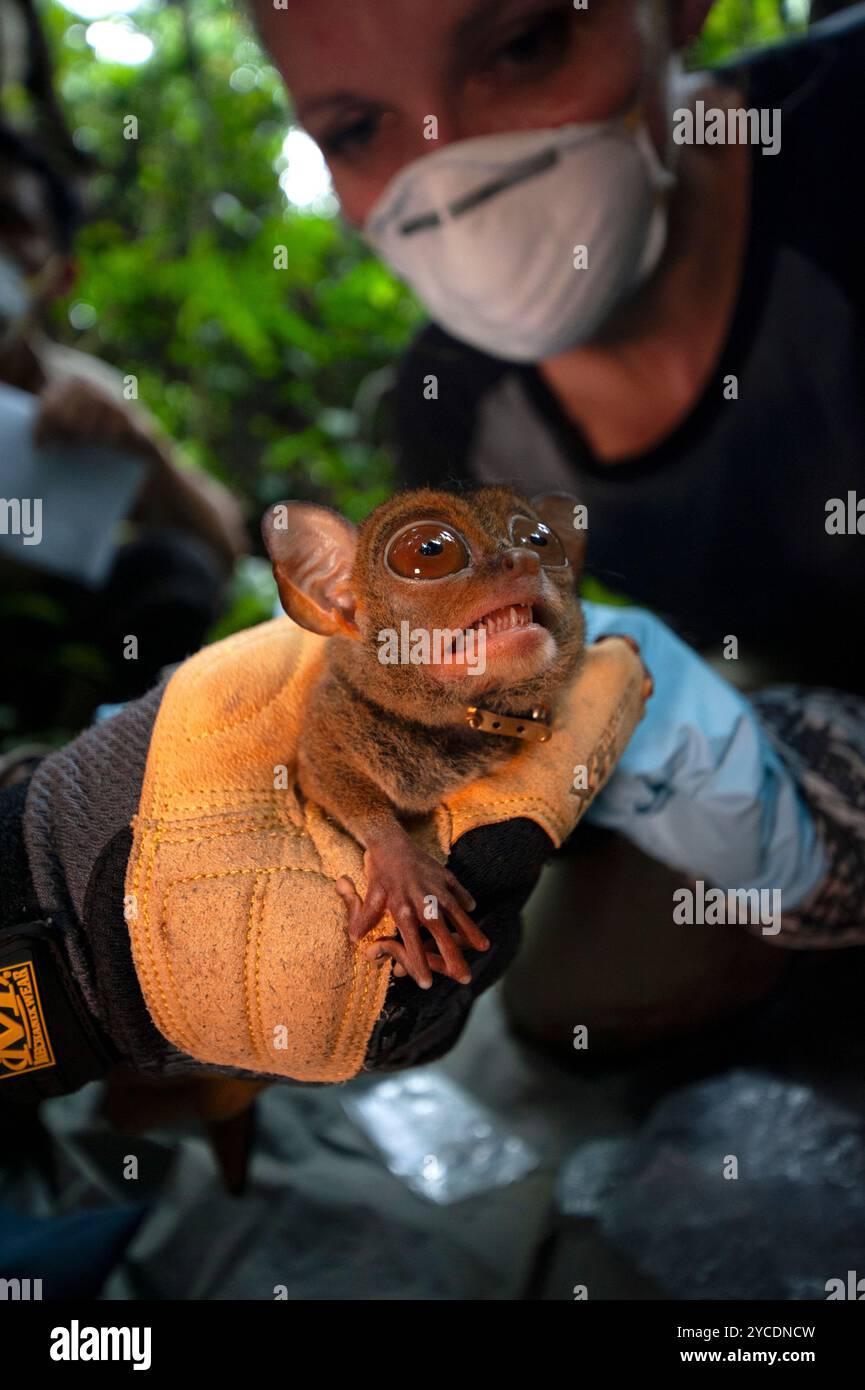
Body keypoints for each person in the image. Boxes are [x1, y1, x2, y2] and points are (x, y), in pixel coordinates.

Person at [249, 0, 865, 1049]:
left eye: (525, 48)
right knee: (567, 997)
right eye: (358, 129)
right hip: (757, 696)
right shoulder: (452, 402)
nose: (452, 166)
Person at [0, 127, 247, 739]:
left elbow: (224, 543)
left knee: (174, 562)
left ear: (60, 276)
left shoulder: (86, 395)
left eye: (10, 222)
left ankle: (111, 758)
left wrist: (144, 451)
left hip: (46, 665)